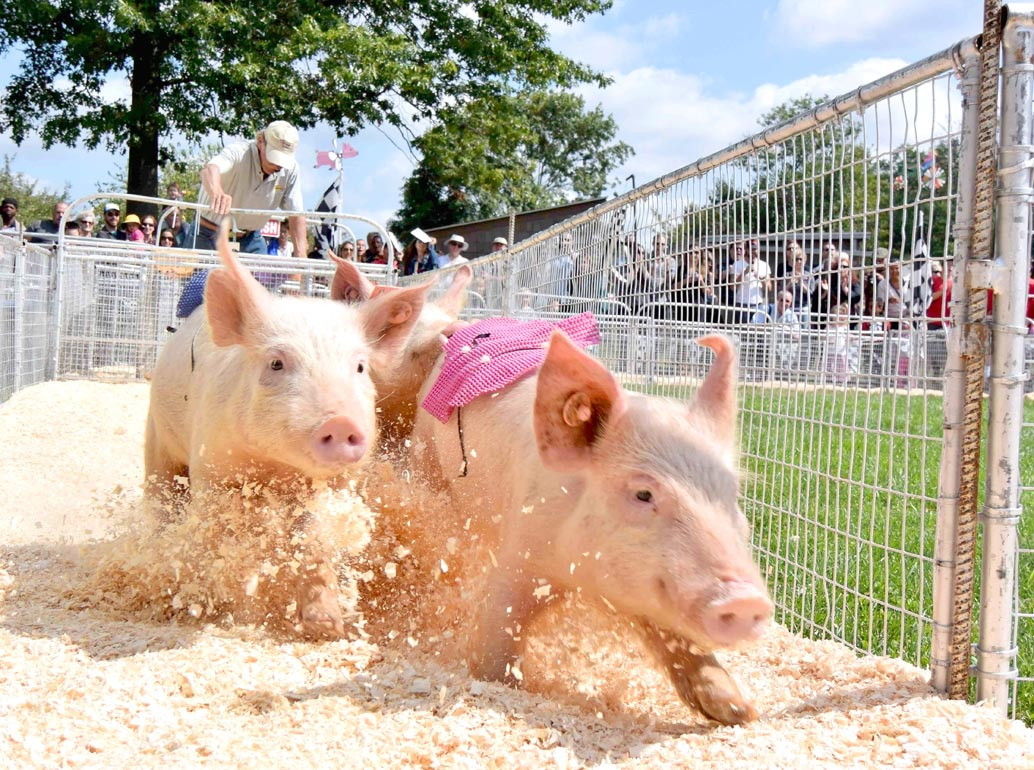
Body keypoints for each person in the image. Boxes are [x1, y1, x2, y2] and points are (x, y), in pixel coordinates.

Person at [175, 120, 307, 318]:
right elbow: (209, 170)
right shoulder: (239, 152)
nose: (278, 164)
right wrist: (217, 192)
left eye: (283, 159)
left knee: (261, 297)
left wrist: (300, 260)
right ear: (260, 141)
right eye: (274, 157)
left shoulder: (291, 170)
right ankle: (185, 335)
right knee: (200, 293)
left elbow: (296, 215)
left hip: (250, 238)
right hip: (208, 233)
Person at [731, 238, 772, 323]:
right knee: (742, 333)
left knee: (758, 335)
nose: (753, 251)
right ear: (746, 249)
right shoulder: (738, 264)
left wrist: (761, 279)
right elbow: (732, 286)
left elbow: (769, 288)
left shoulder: (764, 265)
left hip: (758, 305)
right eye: (751, 249)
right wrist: (745, 272)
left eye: (755, 249)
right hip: (742, 305)